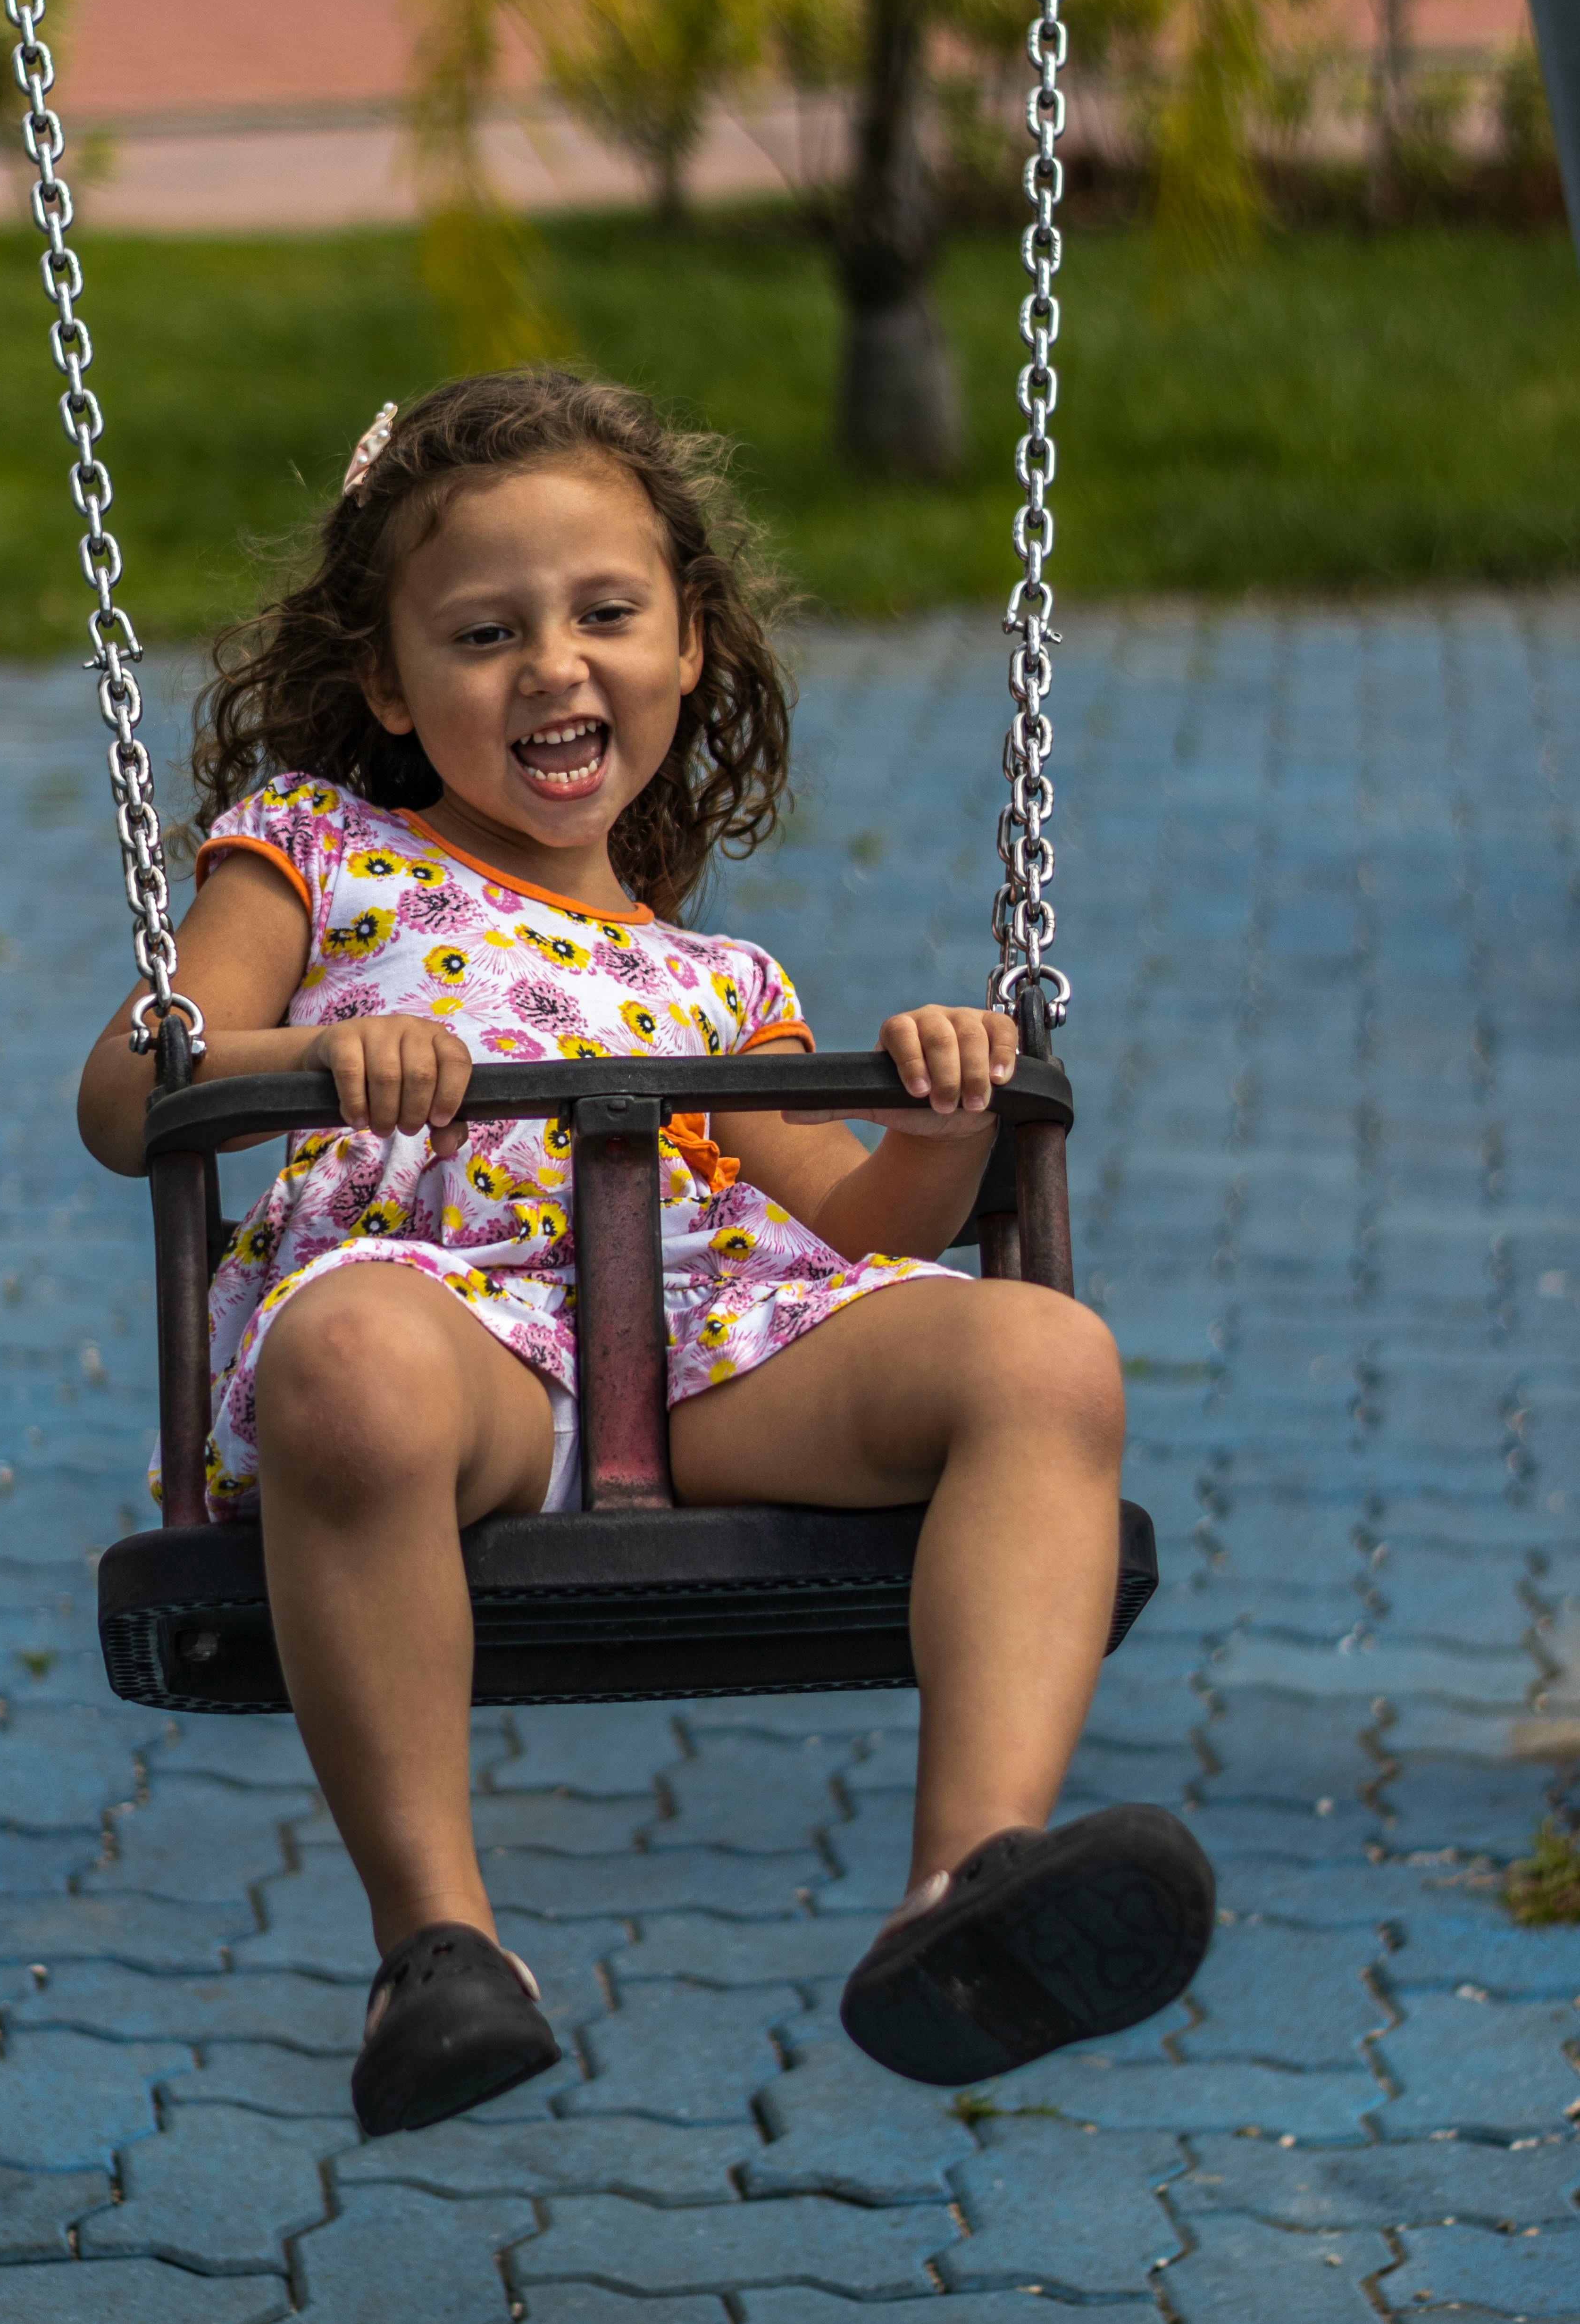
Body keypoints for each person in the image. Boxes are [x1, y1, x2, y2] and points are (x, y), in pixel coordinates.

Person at [77, 370, 1212, 2138]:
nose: (554, 666)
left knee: (1042, 1355)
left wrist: (939, 1127)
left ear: (689, 648)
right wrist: (319, 1051)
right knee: (347, 1368)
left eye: (607, 614)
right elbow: (124, 1088)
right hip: (442, 1339)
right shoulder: (313, 851)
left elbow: (853, 1232)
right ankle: (439, 1947)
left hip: (704, 1360)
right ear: (391, 681)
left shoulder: (720, 984)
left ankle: (968, 1884)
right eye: (485, 633)